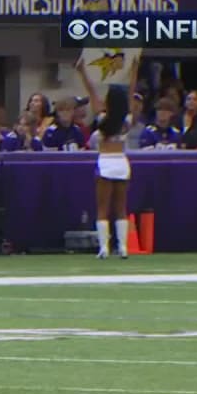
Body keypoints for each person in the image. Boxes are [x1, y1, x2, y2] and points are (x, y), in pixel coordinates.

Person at [76, 56, 137, 259]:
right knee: (121, 207)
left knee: (102, 207)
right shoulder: (127, 121)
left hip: (106, 162)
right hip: (122, 162)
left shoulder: (103, 118)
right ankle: (124, 247)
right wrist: (134, 70)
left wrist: (83, 71)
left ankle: (104, 248)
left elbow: (92, 92)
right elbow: (130, 94)